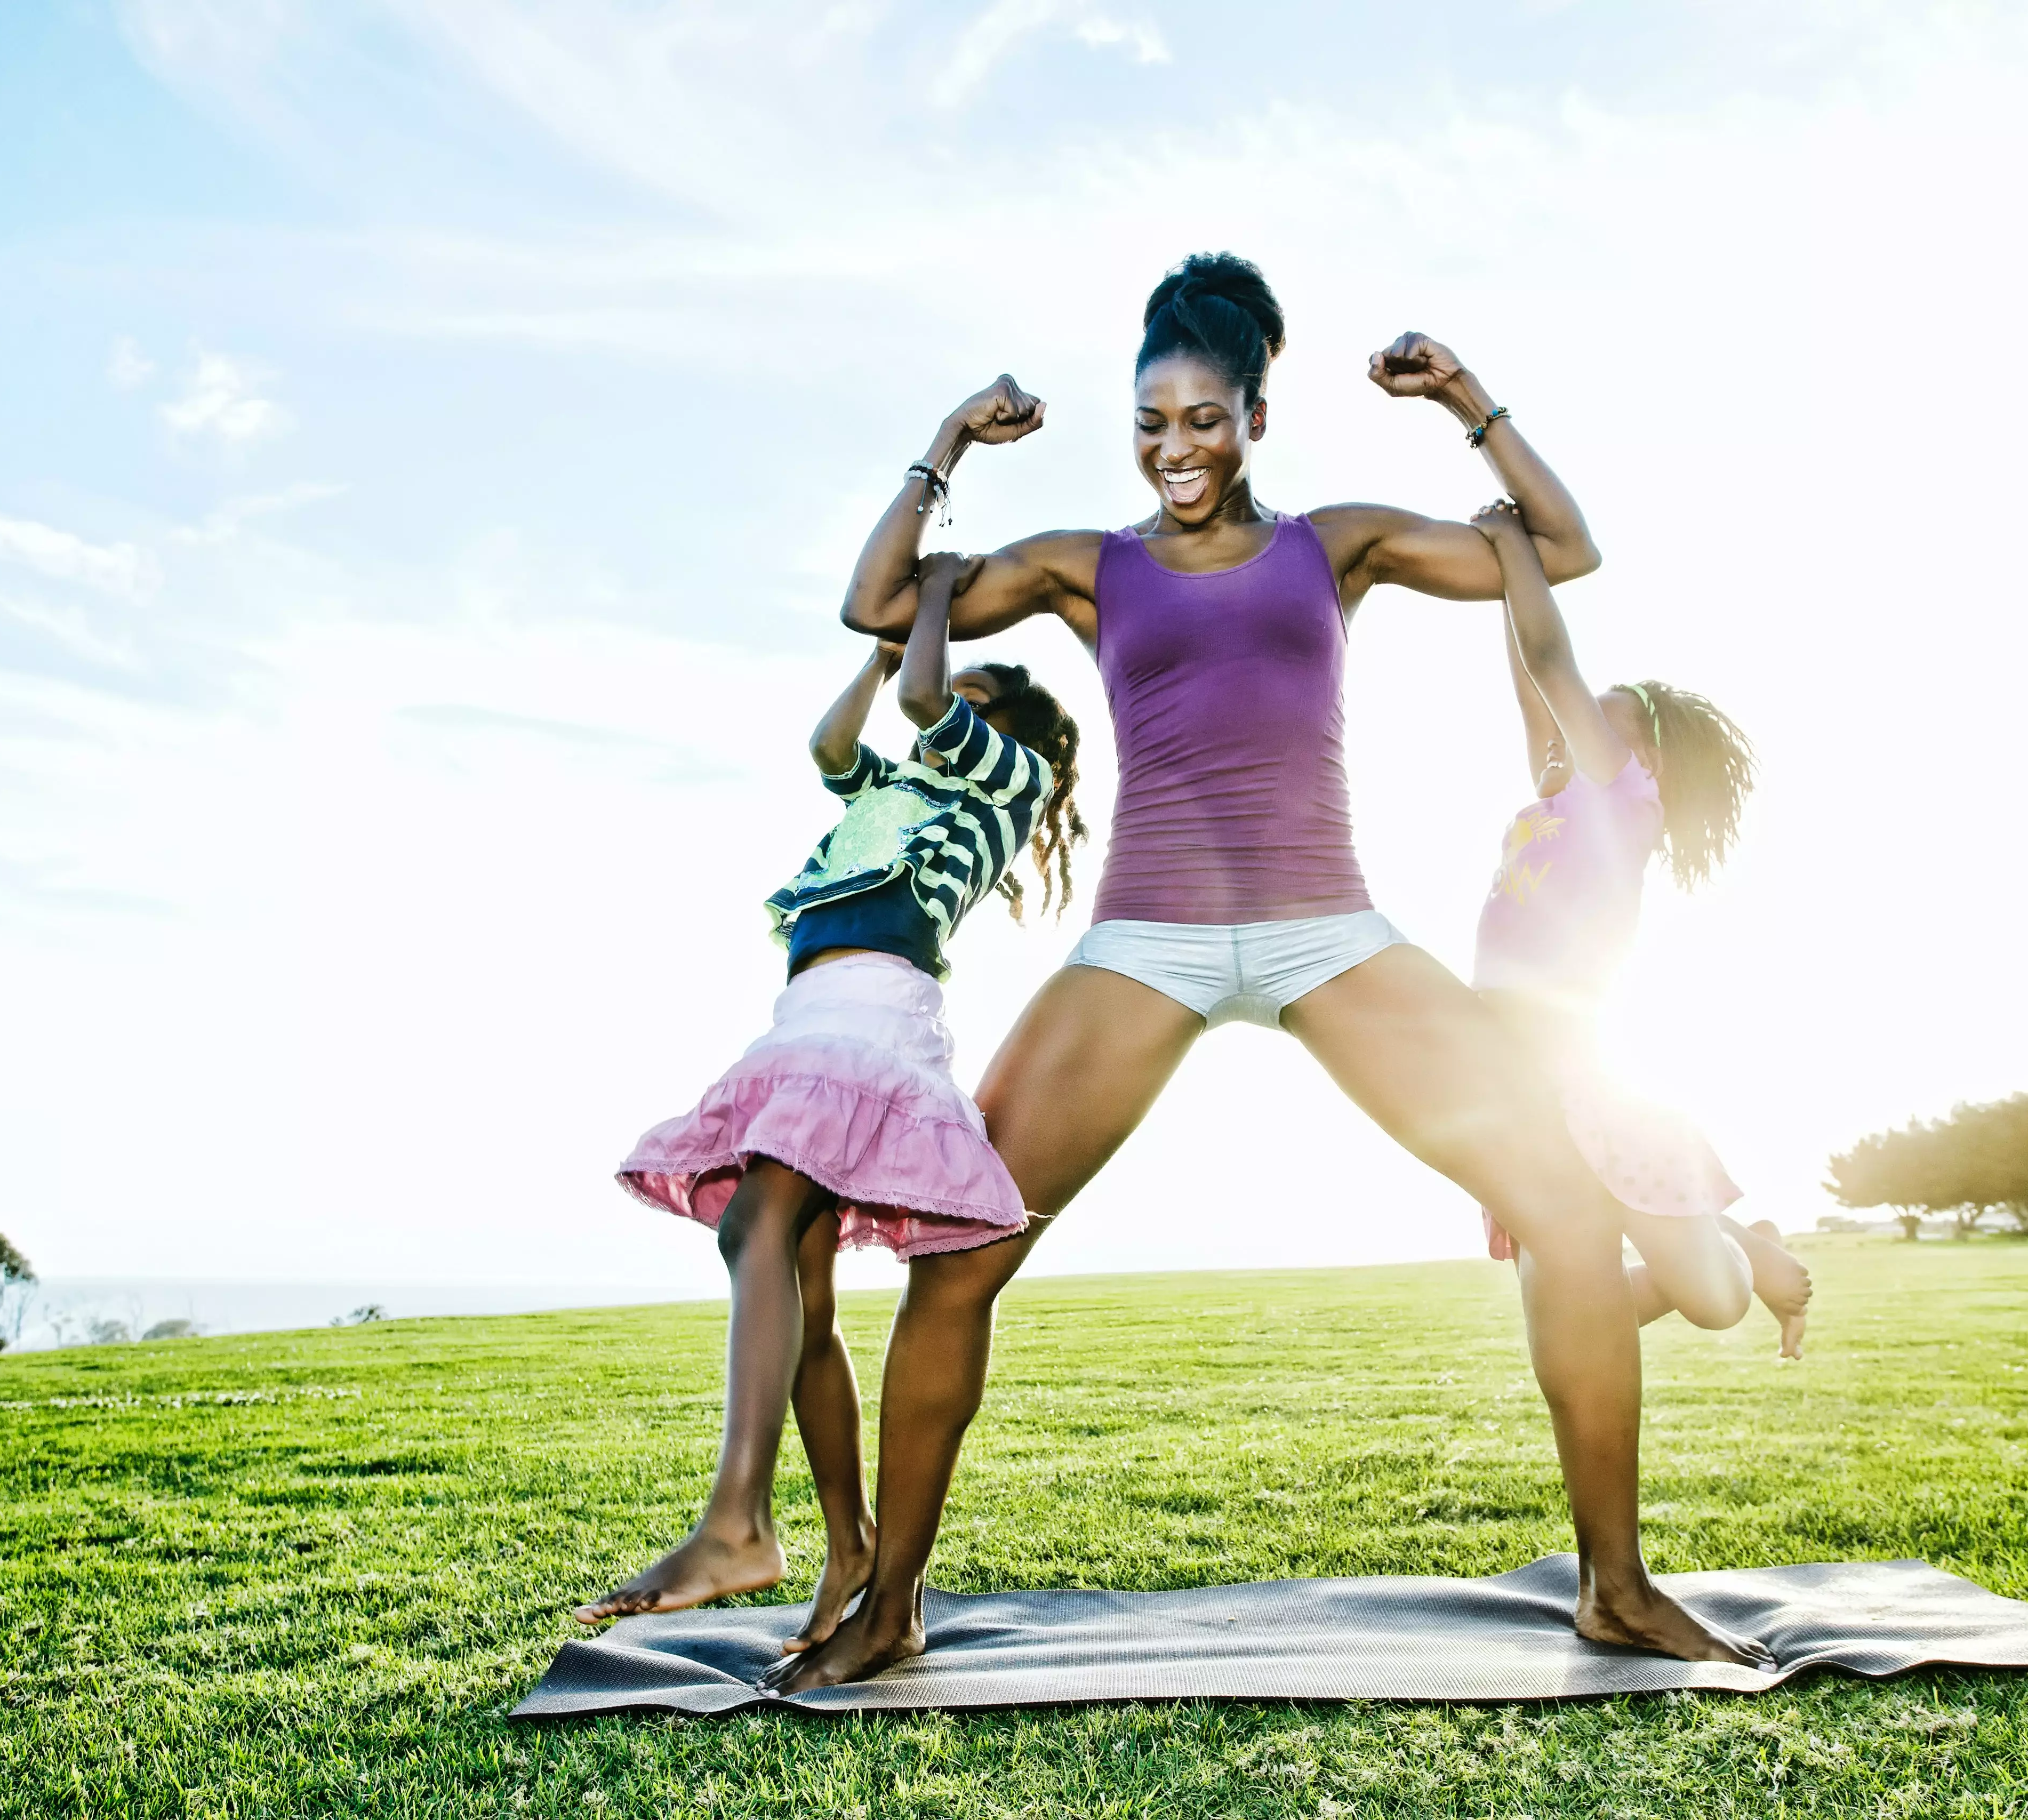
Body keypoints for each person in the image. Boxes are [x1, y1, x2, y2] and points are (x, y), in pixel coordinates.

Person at [767, 252, 1766, 1693]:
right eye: (1151, 422)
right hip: (1146, 937)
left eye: (1206, 420)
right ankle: (891, 1602)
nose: (1177, 449)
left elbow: (1561, 545)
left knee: (1563, 1205)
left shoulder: (1333, 545)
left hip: (1327, 925)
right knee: (960, 1253)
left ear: (1255, 417)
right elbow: (878, 606)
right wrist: (948, 445)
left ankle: (1617, 1585)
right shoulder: (1086, 566)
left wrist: (1463, 397)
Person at [580, 554, 1084, 1649]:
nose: (941, 709)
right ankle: (844, 1542)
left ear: (1007, 729)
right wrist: (878, 647)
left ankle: (737, 1519)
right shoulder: (896, 789)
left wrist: (933, 606)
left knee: (755, 1224)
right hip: (804, 1016)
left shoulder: (1006, 782)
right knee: (794, 1286)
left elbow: (921, 700)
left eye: (969, 700)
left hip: (871, 1014)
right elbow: (834, 746)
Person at [1469, 499, 1813, 1360]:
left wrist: (1515, 545)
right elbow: (1529, 680)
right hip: (1517, 1080)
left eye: (1601, 712)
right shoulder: (1558, 796)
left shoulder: (1624, 803)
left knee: (1714, 1303)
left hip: (1596, 1085)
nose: (1575, 716)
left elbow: (1551, 664)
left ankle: (1745, 1250)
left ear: (1646, 762)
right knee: (1567, 1330)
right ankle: (1730, 1245)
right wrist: (1509, 583)